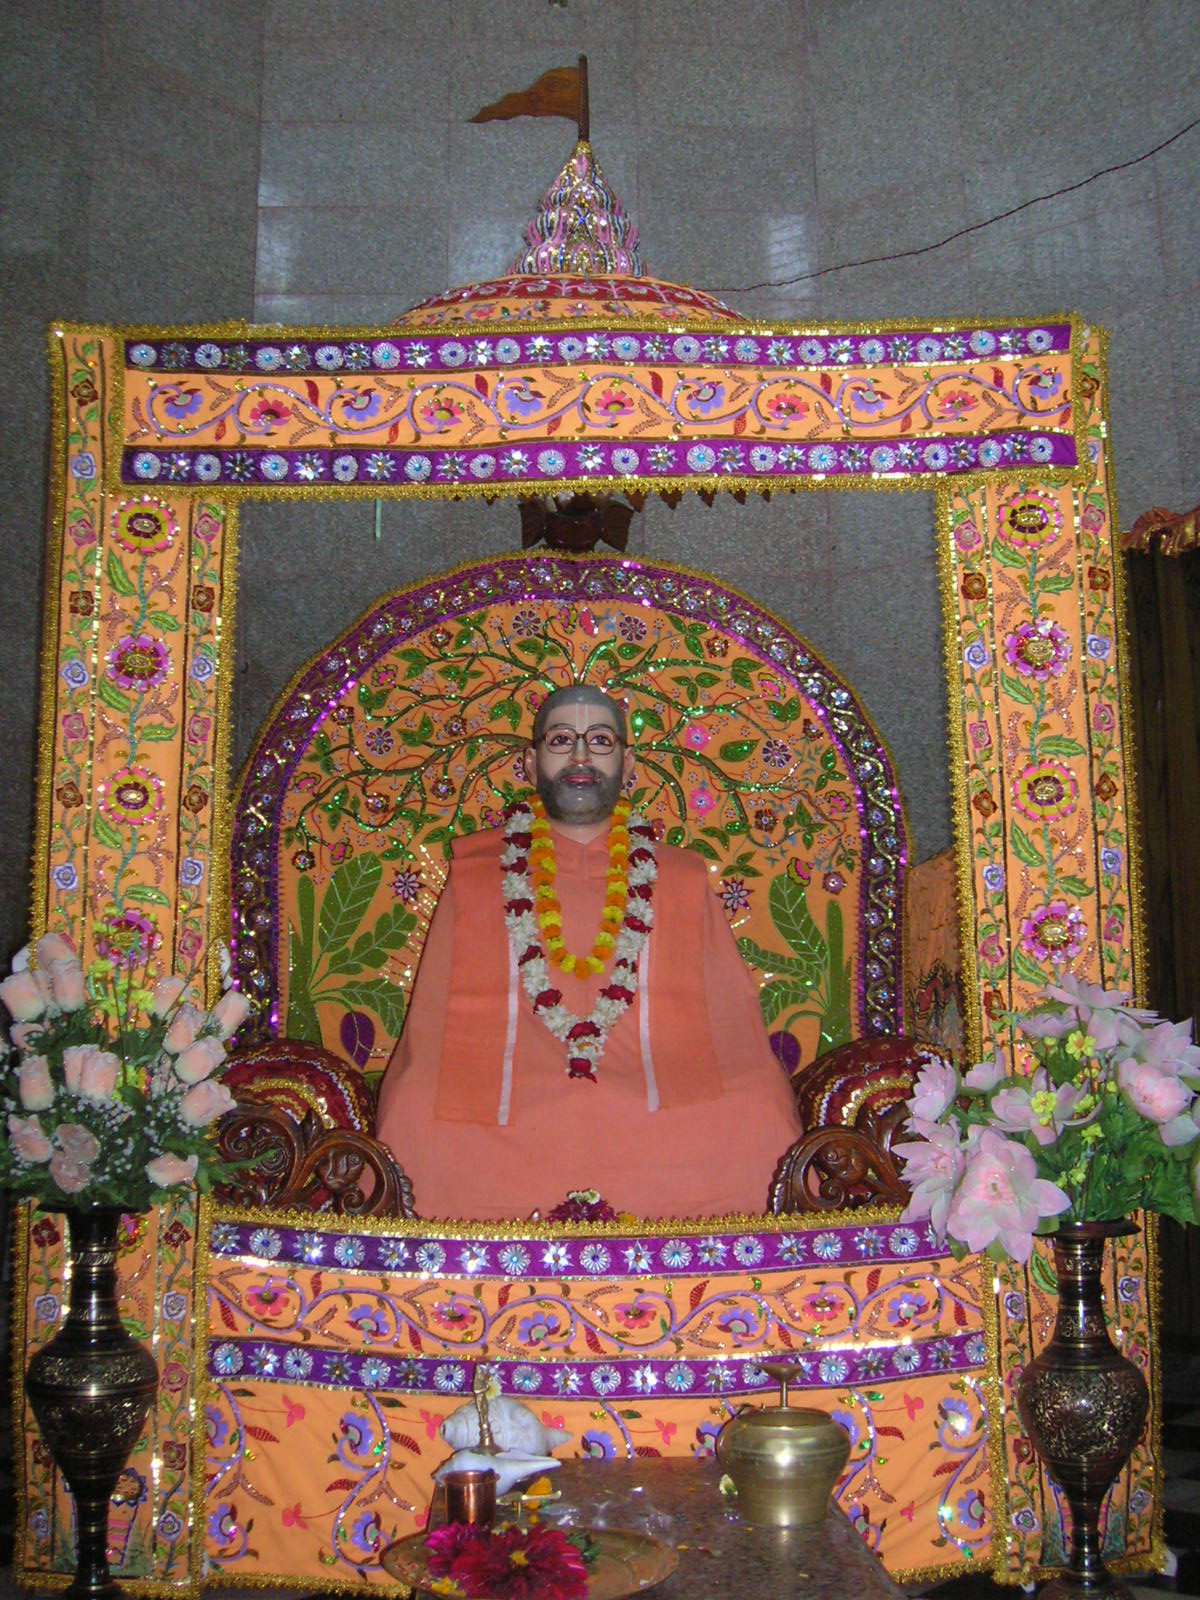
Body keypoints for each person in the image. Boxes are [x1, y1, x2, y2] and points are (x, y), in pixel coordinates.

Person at [375, 685, 801, 1219]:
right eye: (561, 740)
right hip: (513, 1084)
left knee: (757, 1111)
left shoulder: (682, 876)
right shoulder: (478, 871)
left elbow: (729, 1020)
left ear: (629, 765)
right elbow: (435, 1025)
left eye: (600, 740)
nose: (580, 757)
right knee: (415, 1112)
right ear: (530, 764)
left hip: (657, 1080)